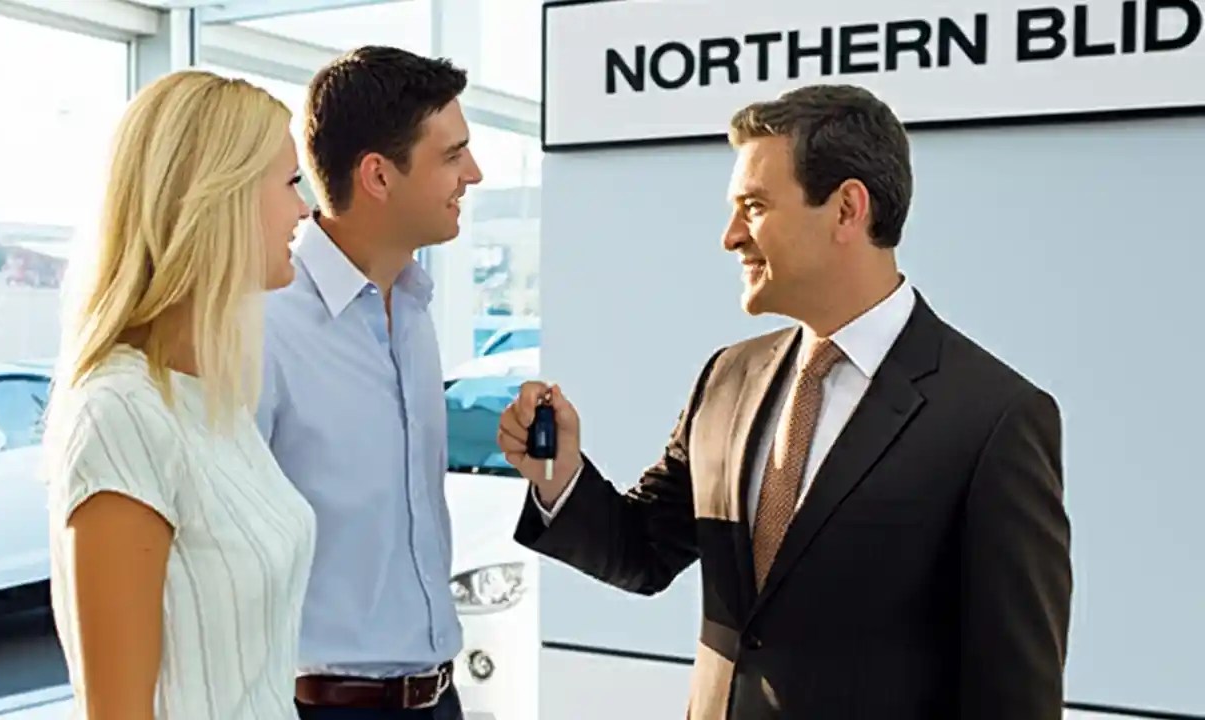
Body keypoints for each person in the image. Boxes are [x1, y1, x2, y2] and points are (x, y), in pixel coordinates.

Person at [498, 84, 1072, 719]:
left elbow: (1014, 696)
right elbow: (643, 554)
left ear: (848, 209)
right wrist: (558, 477)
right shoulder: (727, 377)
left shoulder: (994, 420)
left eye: (755, 206)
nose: (729, 237)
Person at [43, 69, 315, 719]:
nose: (305, 208)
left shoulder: (211, 402)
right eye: (288, 183)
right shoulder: (120, 415)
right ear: (218, 201)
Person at [255, 46, 482, 719]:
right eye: (452, 156)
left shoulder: (412, 310)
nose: (473, 174)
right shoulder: (263, 327)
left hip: (440, 698)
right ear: (378, 176)